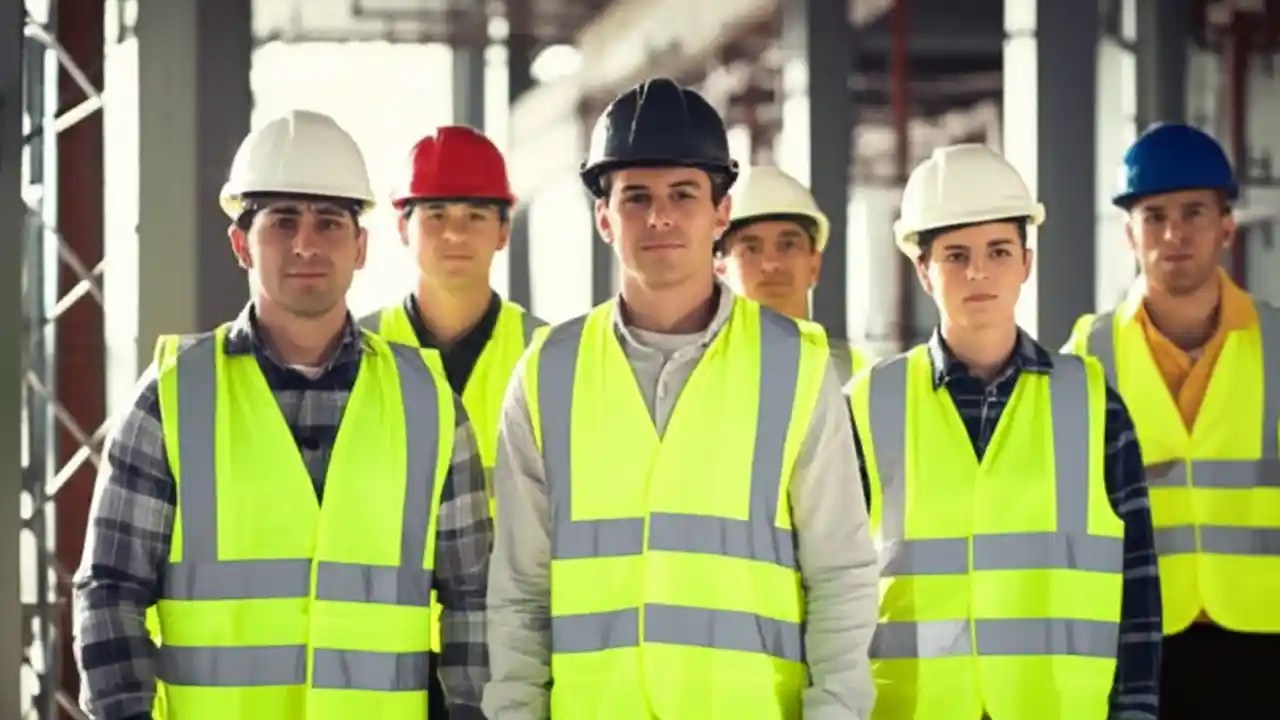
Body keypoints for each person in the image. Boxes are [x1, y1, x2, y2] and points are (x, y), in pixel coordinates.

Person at [72, 110, 491, 720]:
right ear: (241, 243)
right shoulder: (172, 395)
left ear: (361, 246)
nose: (306, 243)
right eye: (282, 221)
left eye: (328, 221)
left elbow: (474, 601)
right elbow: (109, 589)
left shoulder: (427, 404)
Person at [482, 77, 879, 720]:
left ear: (720, 213)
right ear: (604, 217)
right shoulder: (548, 373)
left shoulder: (795, 366)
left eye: (683, 194)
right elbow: (520, 594)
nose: (660, 216)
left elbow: (841, 577)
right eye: (636, 197)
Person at [845, 144, 1162, 719]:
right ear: (923, 270)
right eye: (955, 255)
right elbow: (828, 587)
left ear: (1026, 262)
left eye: (997, 250)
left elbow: (1137, 586)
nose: (978, 272)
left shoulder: (1093, 406)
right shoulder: (867, 405)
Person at [1062, 123, 1280, 719]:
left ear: (1227, 226)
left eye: (1194, 213)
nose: (1174, 233)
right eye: (1154, 215)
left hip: (1267, 638)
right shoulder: (1087, 354)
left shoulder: (1278, 344)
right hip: (1139, 642)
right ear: (1129, 233)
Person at [361, 126, 545, 717]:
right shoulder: (356, 354)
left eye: (474, 214)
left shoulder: (548, 358)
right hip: (378, 657)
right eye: (435, 213)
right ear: (401, 228)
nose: (456, 232)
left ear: (503, 231)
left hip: (511, 658)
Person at [714, 164, 873, 386]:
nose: (771, 264)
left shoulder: (859, 378)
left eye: (788, 245)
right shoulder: (701, 374)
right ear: (720, 270)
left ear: (814, 264)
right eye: (751, 248)